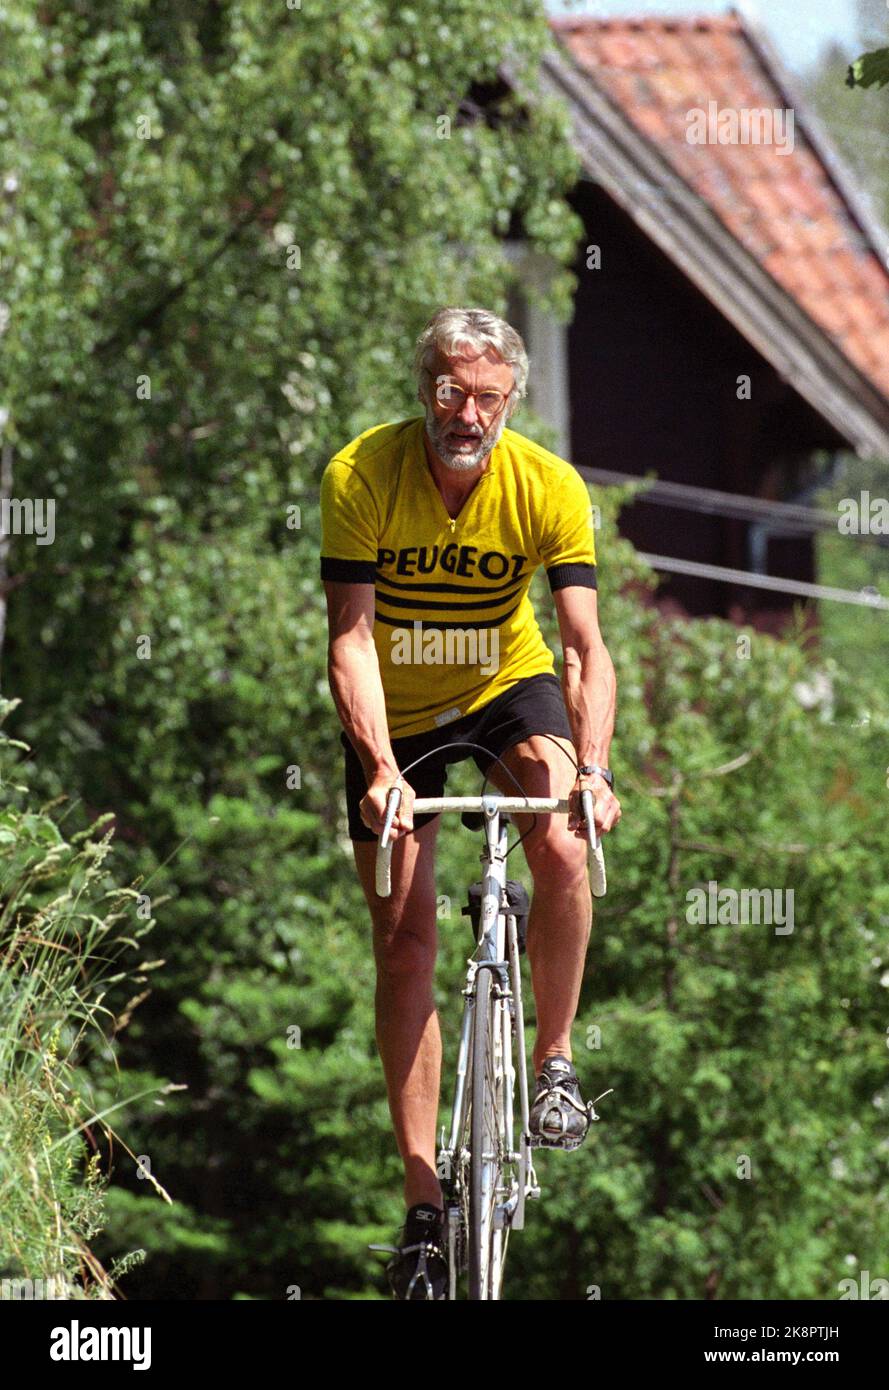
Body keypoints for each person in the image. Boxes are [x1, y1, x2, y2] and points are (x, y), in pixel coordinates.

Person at [320, 306, 621, 1299]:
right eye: (452, 391)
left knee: (561, 836)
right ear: (425, 391)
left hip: (501, 687)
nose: (469, 413)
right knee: (403, 939)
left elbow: (582, 647)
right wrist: (377, 767)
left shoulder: (548, 486)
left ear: (510, 402)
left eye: (489, 396)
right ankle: (420, 1204)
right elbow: (353, 639)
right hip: (396, 703)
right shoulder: (362, 475)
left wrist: (595, 769)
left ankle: (556, 1062)